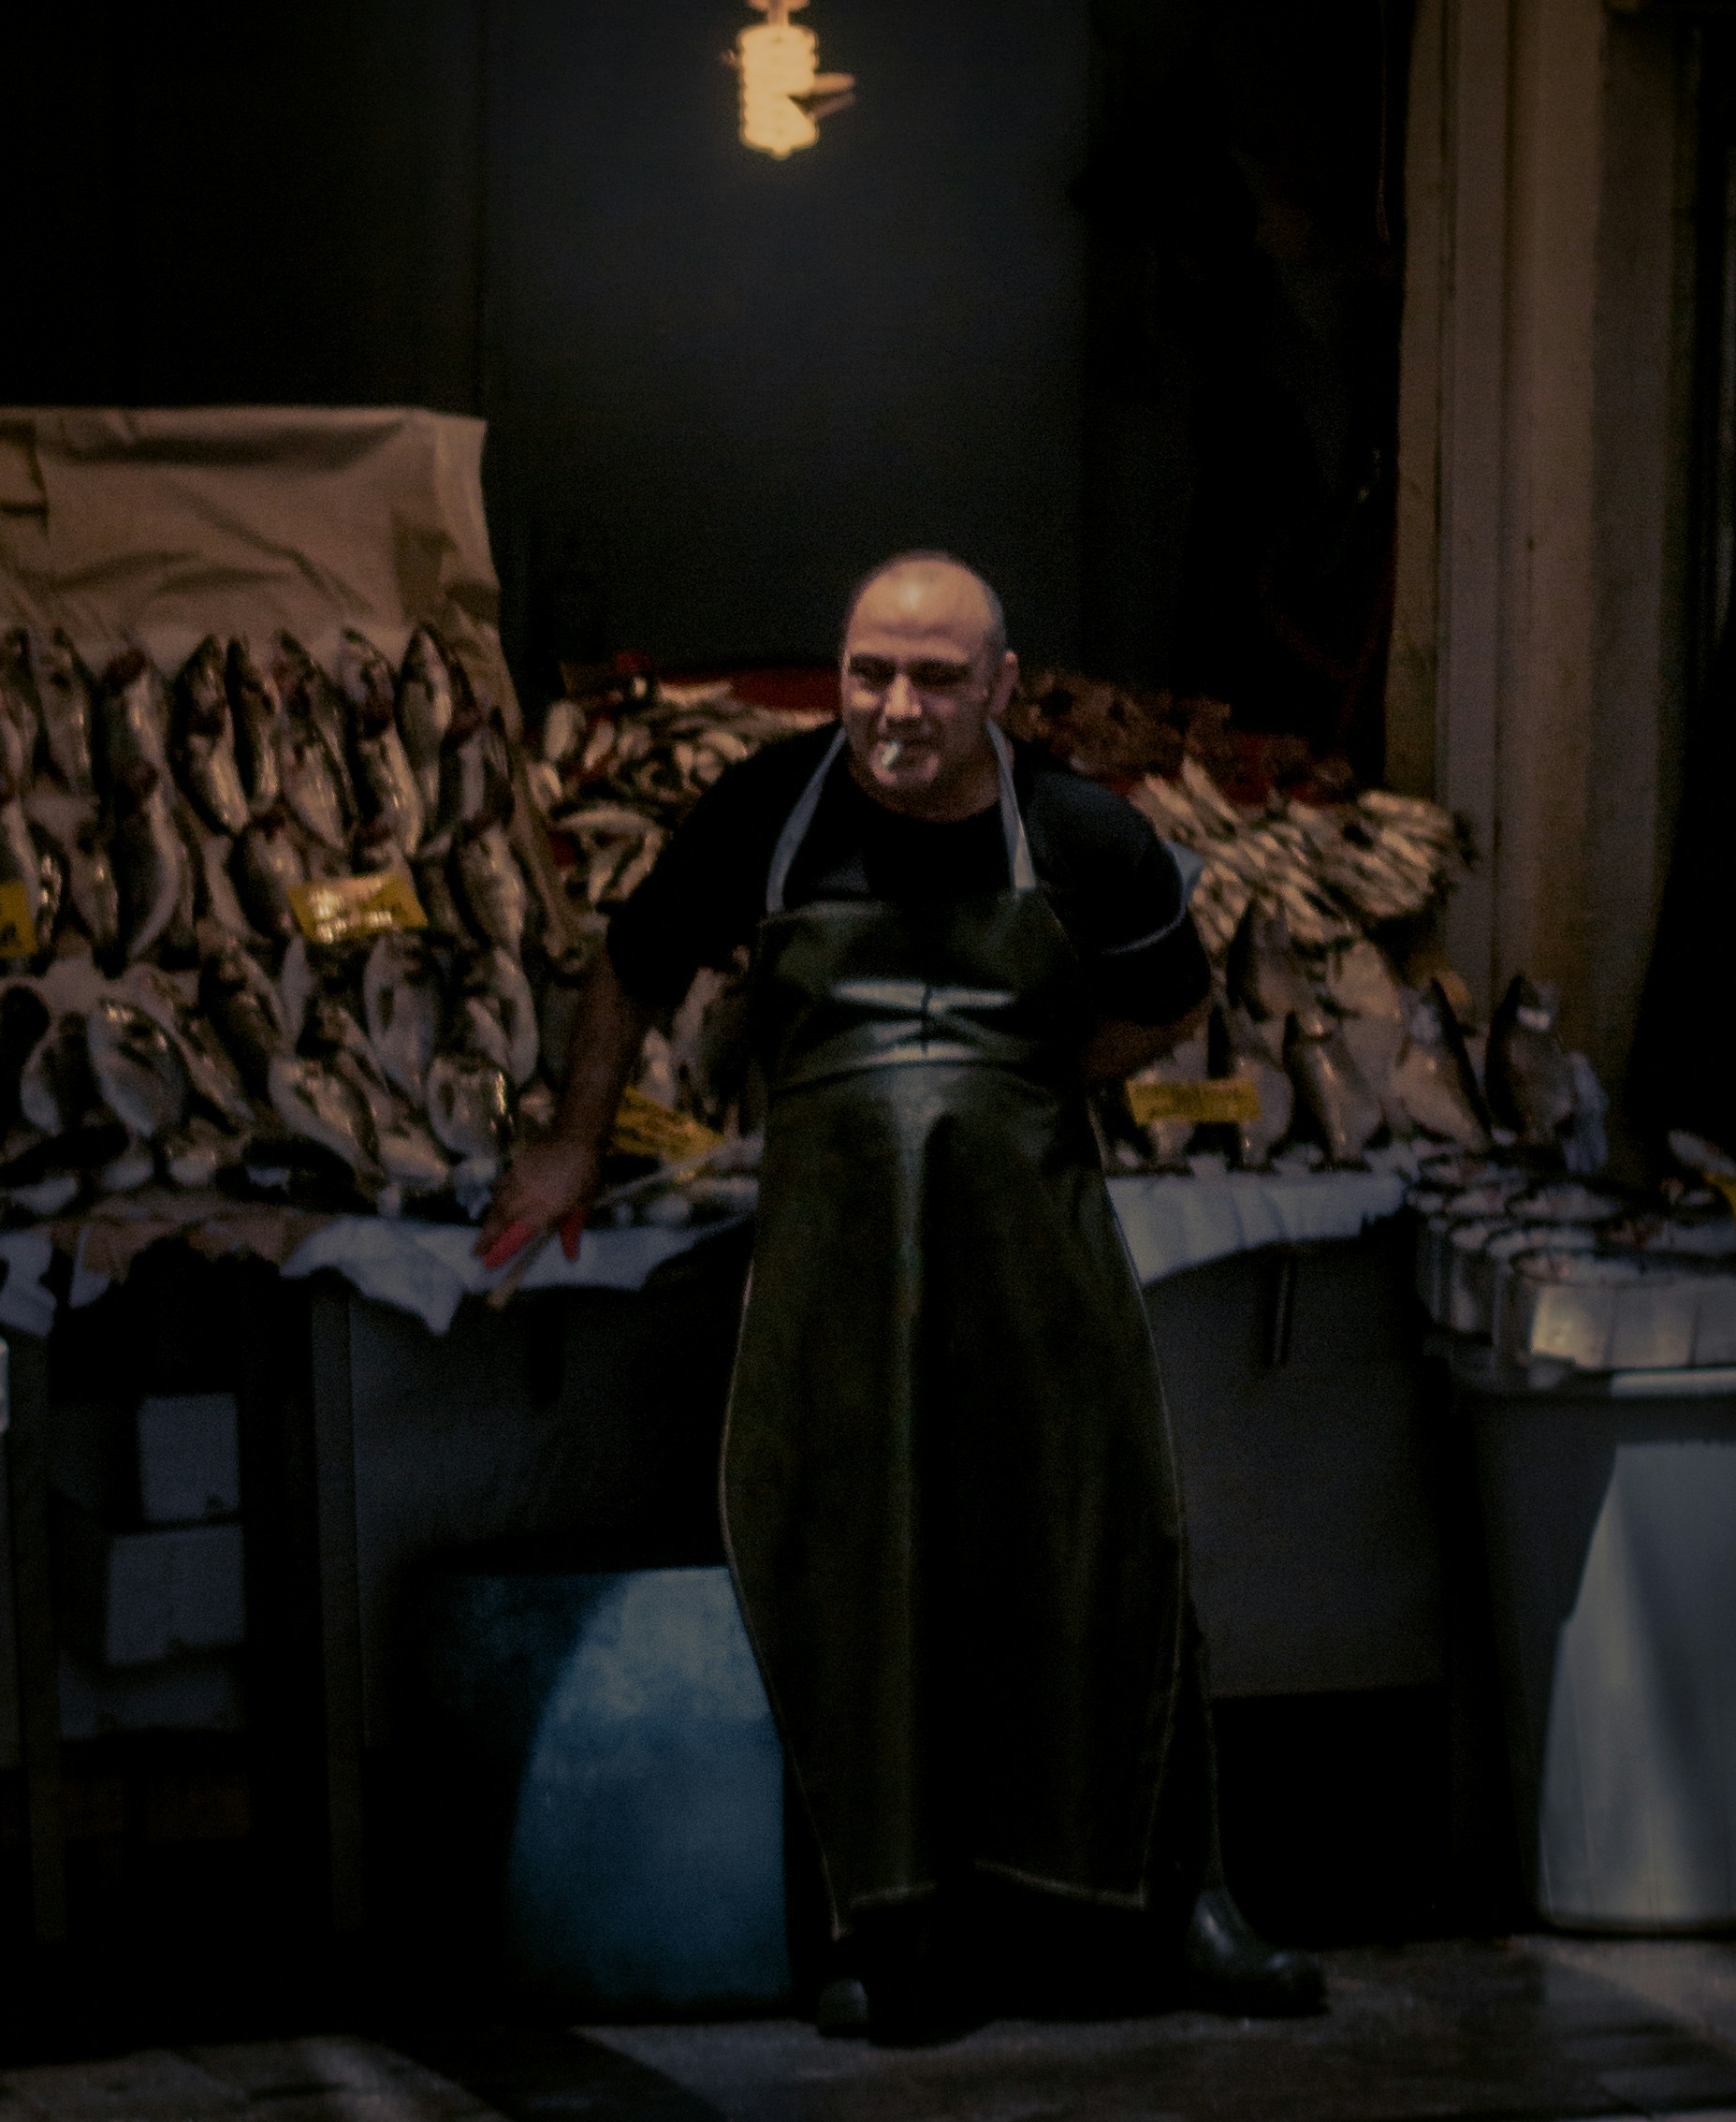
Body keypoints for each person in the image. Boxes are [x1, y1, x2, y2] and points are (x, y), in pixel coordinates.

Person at [480, 551, 1326, 2037]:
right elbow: (631, 962)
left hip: (1033, 1263)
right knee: (855, 1565)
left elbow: (1172, 996)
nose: (896, 706)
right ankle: (890, 1929)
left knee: (1104, 1549)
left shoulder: (1084, 833)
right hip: (839, 1279)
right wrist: (567, 1144)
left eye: (937, 677)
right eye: (872, 670)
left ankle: (1177, 1907)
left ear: (1001, 687)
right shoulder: (772, 812)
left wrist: (1014, 1090)